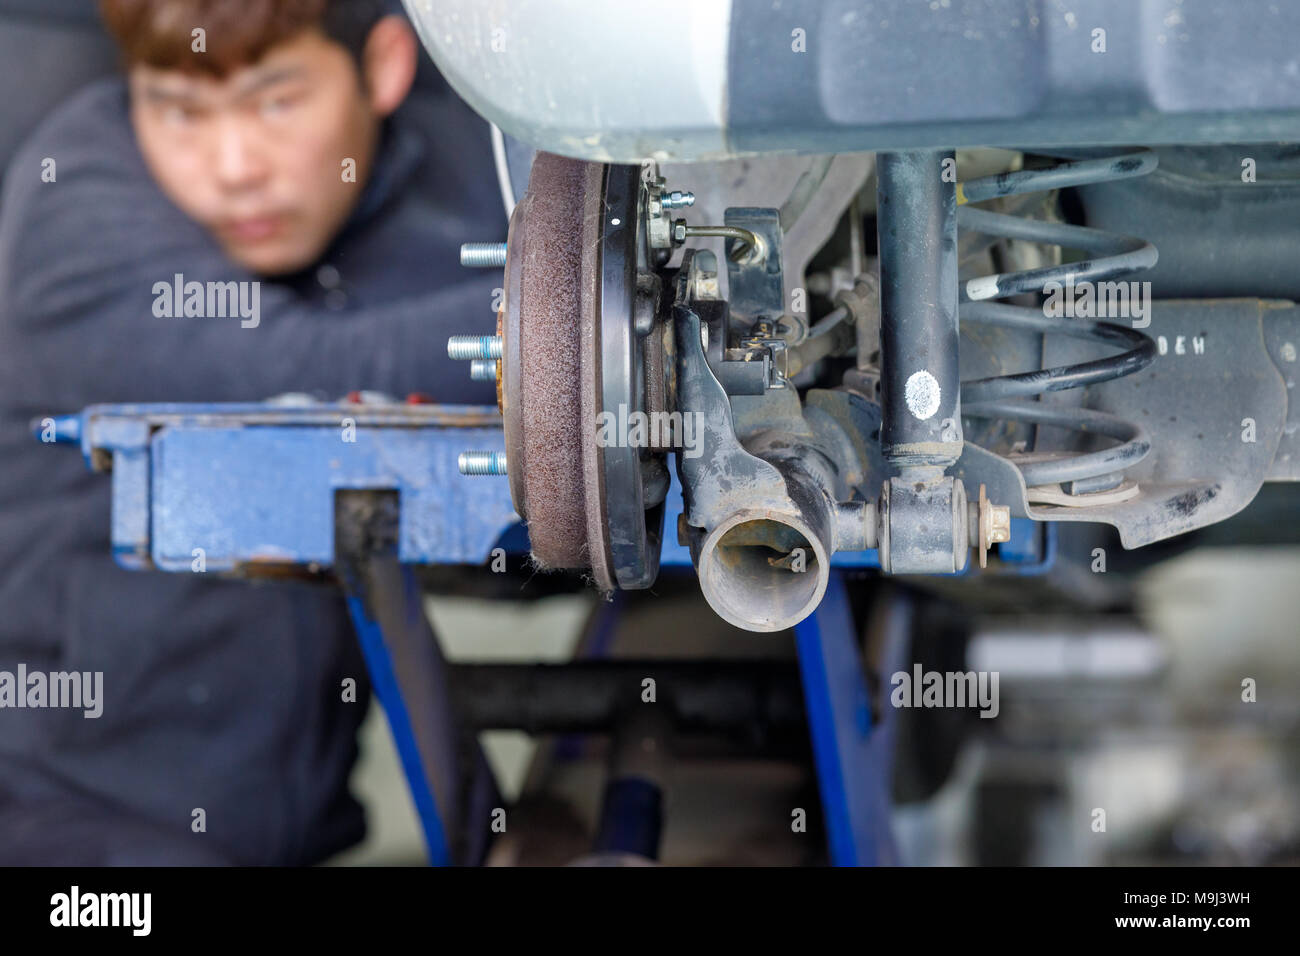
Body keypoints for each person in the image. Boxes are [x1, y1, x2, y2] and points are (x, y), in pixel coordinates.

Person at [0, 0, 504, 864]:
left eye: (276, 101)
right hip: (72, 830)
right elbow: (295, 379)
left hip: (289, 833)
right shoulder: (75, 198)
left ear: (382, 69)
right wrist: (577, 320)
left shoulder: (448, 176)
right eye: (180, 109)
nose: (233, 168)